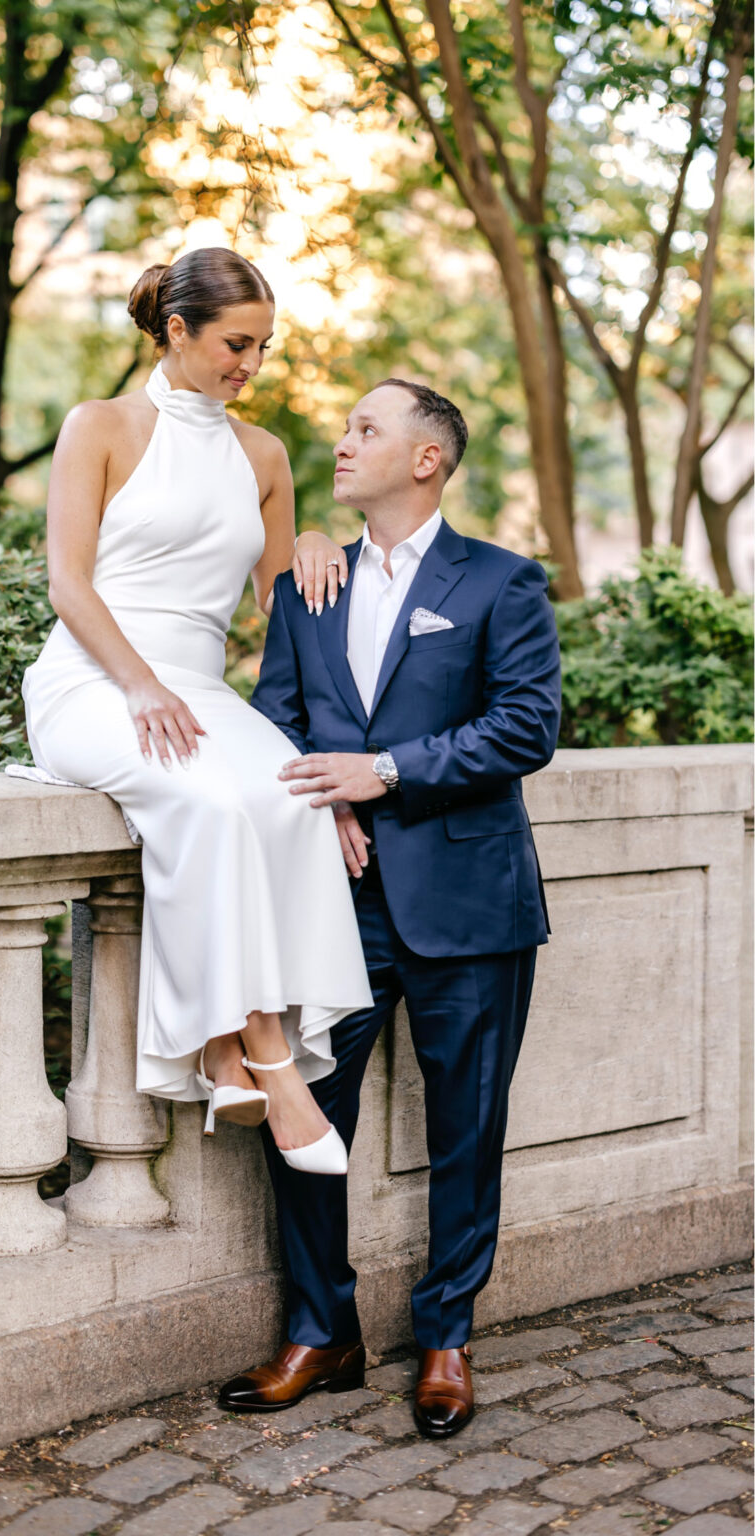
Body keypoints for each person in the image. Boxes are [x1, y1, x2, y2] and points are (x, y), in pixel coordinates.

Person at [220, 378, 562, 1435]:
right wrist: (319, 809)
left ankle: (446, 1336)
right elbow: (271, 725)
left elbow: (526, 727)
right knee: (306, 1118)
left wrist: (381, 770)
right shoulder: (305, 585)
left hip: (470, 901)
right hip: (334, 904)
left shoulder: (502, 582)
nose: (341, 439)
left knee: (469, 1131)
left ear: (425, 459)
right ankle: (322, 1330)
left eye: (365, 427)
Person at [20, 247, 372, 1175]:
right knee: (212, 805)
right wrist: (141, 684)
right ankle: (269, 1061)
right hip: (94, 679)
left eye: (262, 346)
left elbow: (280, 604)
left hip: (202, 691)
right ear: (176, 331)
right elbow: (67, 581)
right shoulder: (99, 426)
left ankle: (225, 1052)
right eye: (235, 343)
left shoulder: (262, 454)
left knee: (294, 799)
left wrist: (320, 537)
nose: (250, 365)